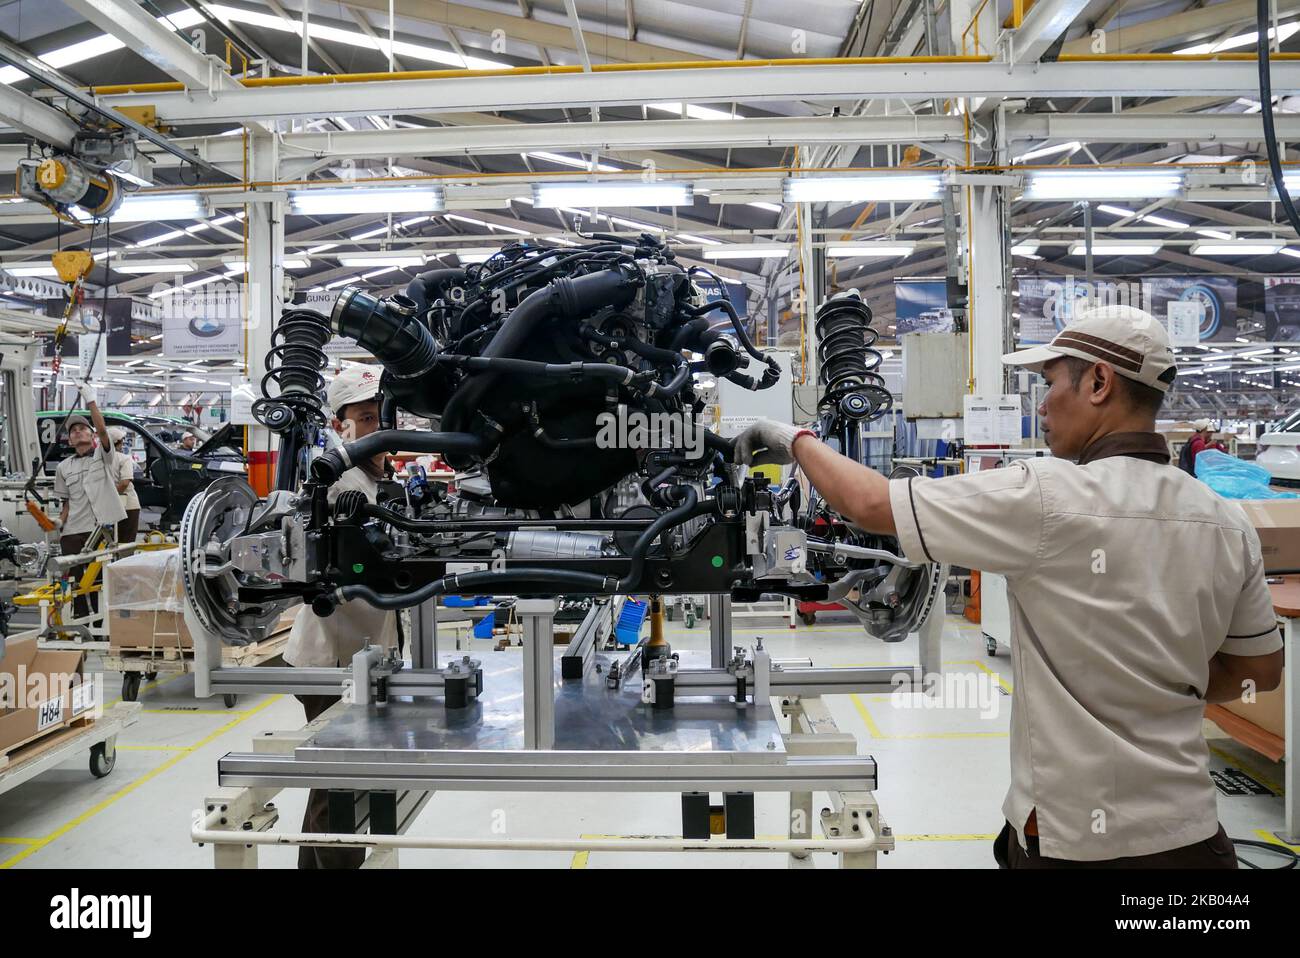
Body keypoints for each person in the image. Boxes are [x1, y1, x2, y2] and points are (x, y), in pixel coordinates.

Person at [734, 305, 1283, 869]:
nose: (1041, 406)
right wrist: (1164, 684)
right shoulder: (1226, 520)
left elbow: (872, 504)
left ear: (1099, 381)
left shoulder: (1044, 497)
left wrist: (788, 435)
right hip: (1195, 840)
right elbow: (1259, 673)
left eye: (1049, 384)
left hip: (1077, 844)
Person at [283, 363, 397, 869]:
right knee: (339, 786)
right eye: (366, 418)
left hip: (362, 656)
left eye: (383, 416)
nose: (378, 428)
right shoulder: (335, 480)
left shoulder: (378, 478)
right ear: (340, 424)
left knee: (340, 784)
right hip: (330, 660)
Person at [53, 384, 127, 619]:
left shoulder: (102, 456)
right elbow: (66, 503)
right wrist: (58, 521)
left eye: (82, 428)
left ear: (91, 435)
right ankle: (79, 621)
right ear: (69, 440)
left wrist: (91, 400)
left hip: (100, 531)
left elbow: (104, 431)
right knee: (73, 581)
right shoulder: (64, 467)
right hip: (73, 531)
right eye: (72, 430)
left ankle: (101, 623)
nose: (77, 432)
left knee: (98, 580)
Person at [108, 426, 141, 549]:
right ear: (118, 442)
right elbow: (124, 483)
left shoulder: (98, 459)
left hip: (107, 507)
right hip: (128, 506)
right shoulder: (124, 458)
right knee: (126, 545)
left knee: (108, 544)